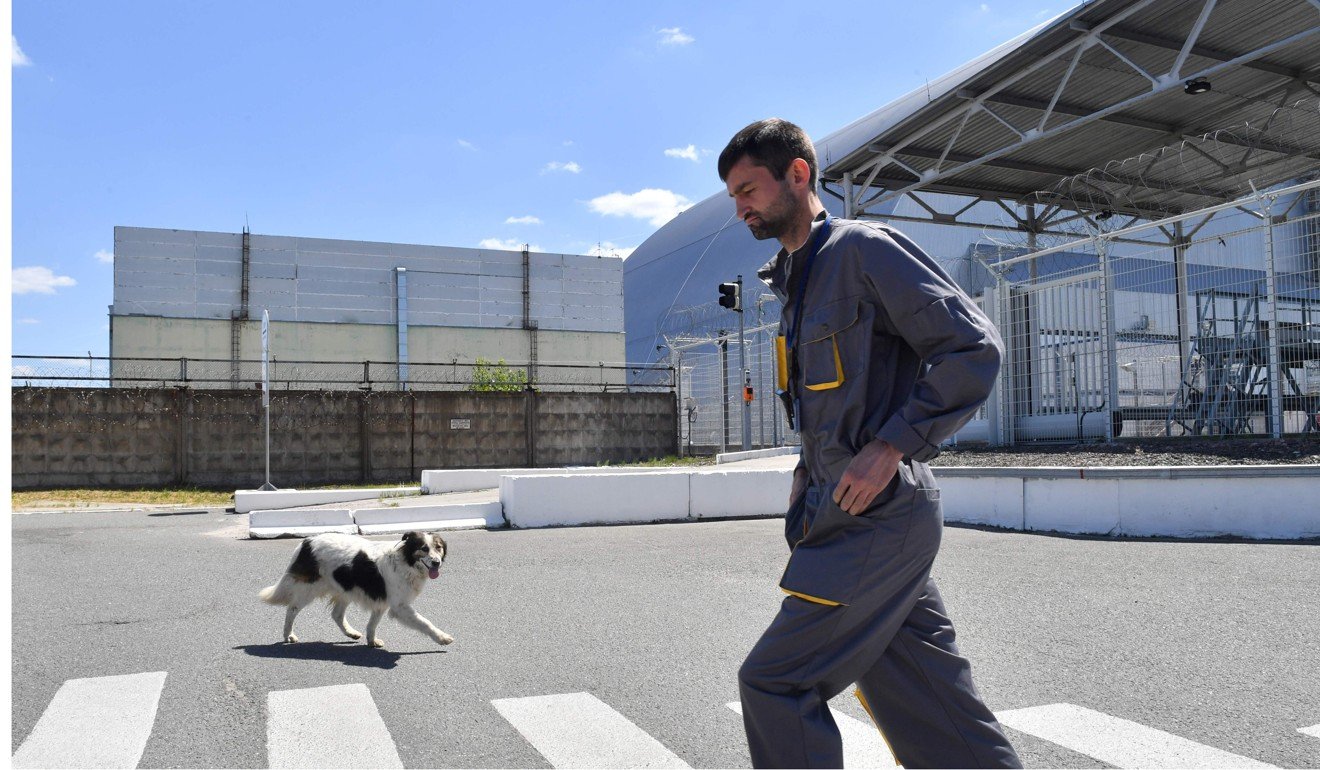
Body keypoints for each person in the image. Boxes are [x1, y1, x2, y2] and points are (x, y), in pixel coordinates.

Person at [719, 118, 1022, 769]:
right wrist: (806, 478)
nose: (740, 207)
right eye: (733, 196)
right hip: (838, 517)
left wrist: (891, 446)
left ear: (798, 174)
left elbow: (974, 347)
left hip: (879, 520)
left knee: (775, 683)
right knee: (931, 707)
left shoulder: (864, 251)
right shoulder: (796, 283)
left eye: (748, 189)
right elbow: (831, 406)